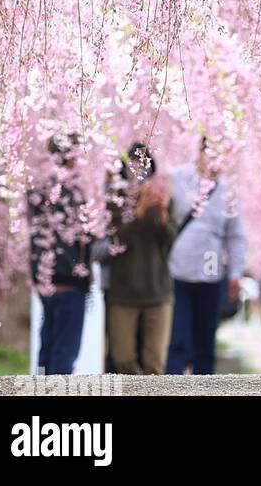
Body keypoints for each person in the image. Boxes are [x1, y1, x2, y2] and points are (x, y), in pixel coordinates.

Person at [165, 135, 248, 374]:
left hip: (210, 265)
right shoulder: (178, 178)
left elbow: (235, 236)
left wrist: (235, 273)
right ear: (200, 151)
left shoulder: (227, 191)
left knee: (205, 339)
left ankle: (203, 385)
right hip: (176, 267)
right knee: (177, 339)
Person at [104, 144, 175, 374]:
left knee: (155, 362)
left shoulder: (161, 198)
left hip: (158, 290)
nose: (137, 171)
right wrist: (139, 211)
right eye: (132, 164)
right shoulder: (115, 200)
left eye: (143, 165)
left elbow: (171, 241)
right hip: (123, 291)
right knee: (122, 357)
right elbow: (117, 240)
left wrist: (162, 214)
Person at [27, 132, 94, 375]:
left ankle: (40, 391)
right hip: (69, 277)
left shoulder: (37, 189)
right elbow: (88, 234)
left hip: (44, 278)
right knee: (65, 350)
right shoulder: (74, 191)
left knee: (48, 344)